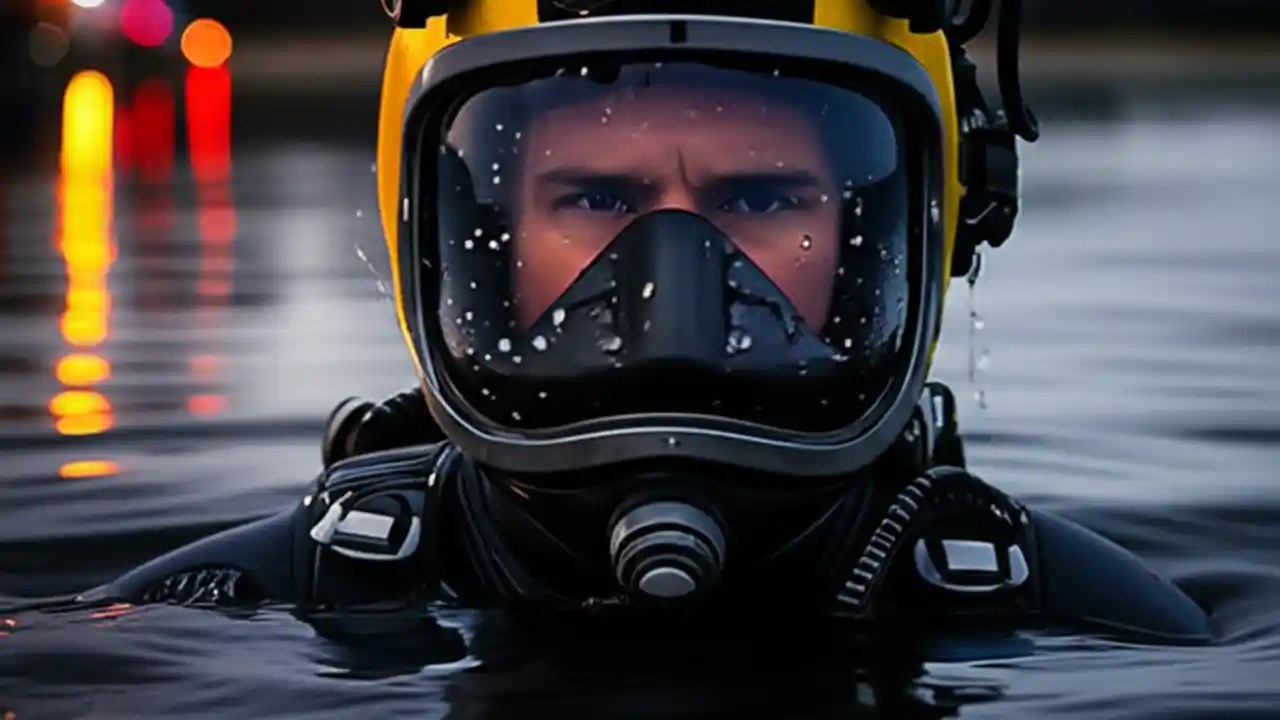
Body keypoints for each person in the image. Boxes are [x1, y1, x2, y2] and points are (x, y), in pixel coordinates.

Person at [92, 0, 1211, 644]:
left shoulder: (1086, 618)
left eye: (760, 199)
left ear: (910, 222)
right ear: (450, 224)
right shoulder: (253, 603)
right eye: (595, 201)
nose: (671, 276)